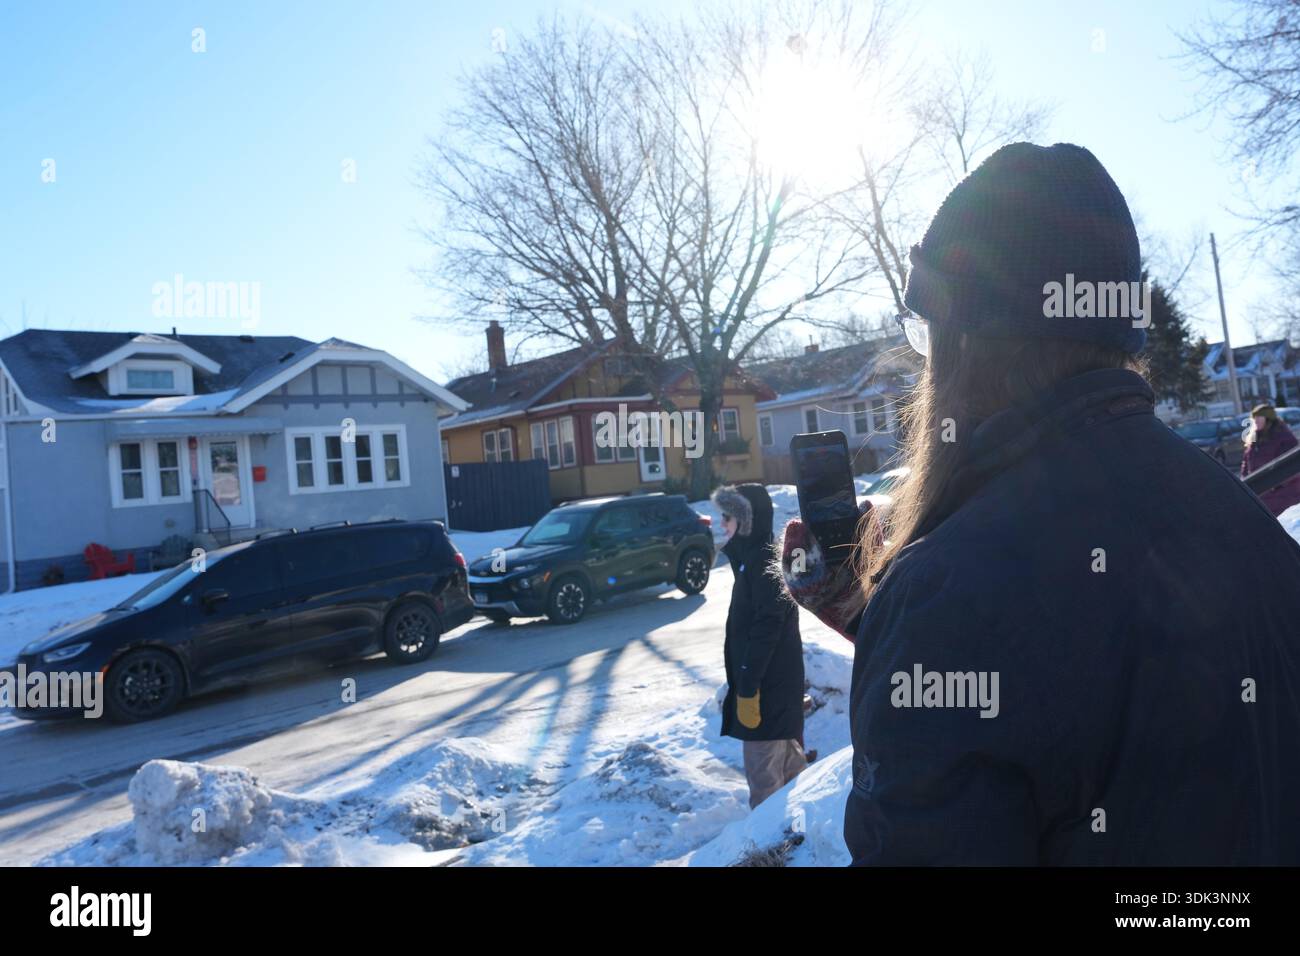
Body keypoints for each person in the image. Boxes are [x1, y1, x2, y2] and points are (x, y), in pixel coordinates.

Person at [779, 142, 1300, 864]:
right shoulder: (1248, 524)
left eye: (926, 335)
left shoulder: (949, 598)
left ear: (962, 346)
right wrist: (879, 623)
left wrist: (909, 631)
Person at [711, 482, 806, 809]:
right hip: (774, 691)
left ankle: (774, 840)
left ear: (746, 520)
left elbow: (767, 629)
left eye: (728, 516)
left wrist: (748, 688)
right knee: (790, 775)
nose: (722, 523)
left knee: (766, 789)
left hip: (767, 694)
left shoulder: (762, 563)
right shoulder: (752, 558)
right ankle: (799, 831)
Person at [1240, 402, 1300, 515]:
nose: (1255, 421)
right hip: (1261, 495)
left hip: (1283, 498)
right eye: (1254, 418)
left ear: (1268, 419)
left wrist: (1273, 485)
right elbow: (1246, 463)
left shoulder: (1283, 437)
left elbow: (1291, 467)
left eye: (1259, 417)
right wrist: (1245, 482)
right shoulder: (1254, 439)